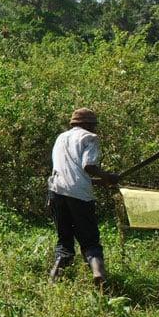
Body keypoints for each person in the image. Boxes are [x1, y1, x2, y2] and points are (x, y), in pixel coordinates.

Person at [47, 107, 119, 286]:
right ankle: (99, 277)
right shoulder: (89, 138)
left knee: (64, 242)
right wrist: (108, 176)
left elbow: (71, 173)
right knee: (90, 241)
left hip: (56, 192)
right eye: (93, 125)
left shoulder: (61, 138)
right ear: (86, 125)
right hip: (80, 198)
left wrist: (98, 182)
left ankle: (53, 281)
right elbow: (88, 167)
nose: (95, 129)